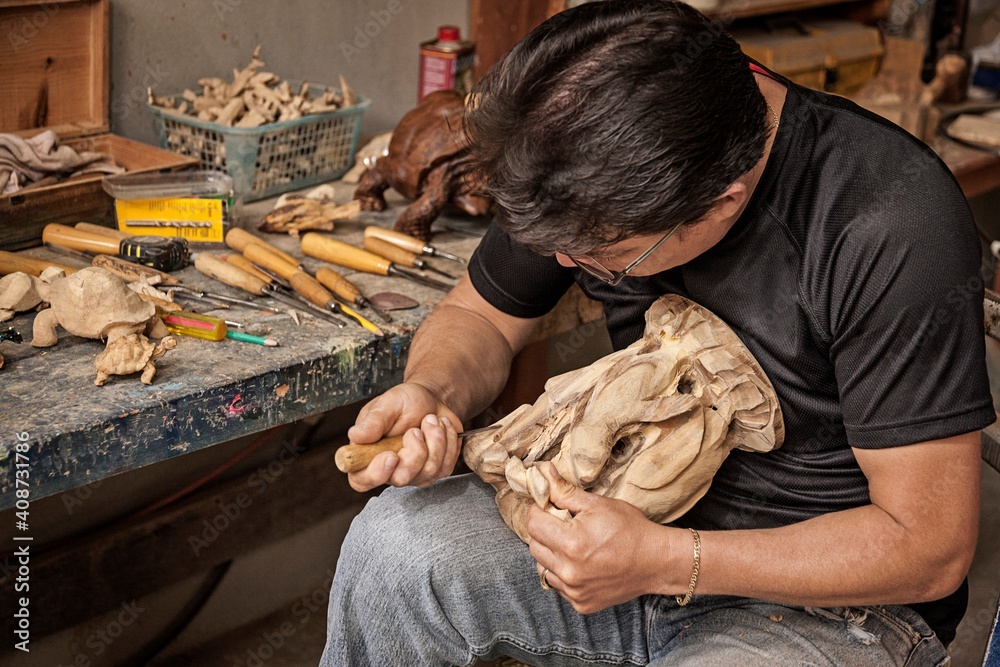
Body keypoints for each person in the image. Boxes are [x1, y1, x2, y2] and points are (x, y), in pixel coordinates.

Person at [321, 1, 995, 665]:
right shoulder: (588, 143)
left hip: (829, 604)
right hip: (620, 525)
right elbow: (478, 316)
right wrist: (434, 390)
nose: (563, 264)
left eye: (599, 260)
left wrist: (670, 561)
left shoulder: (888, 223)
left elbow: (928, 547)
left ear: (723, 198)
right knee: (395, 548)